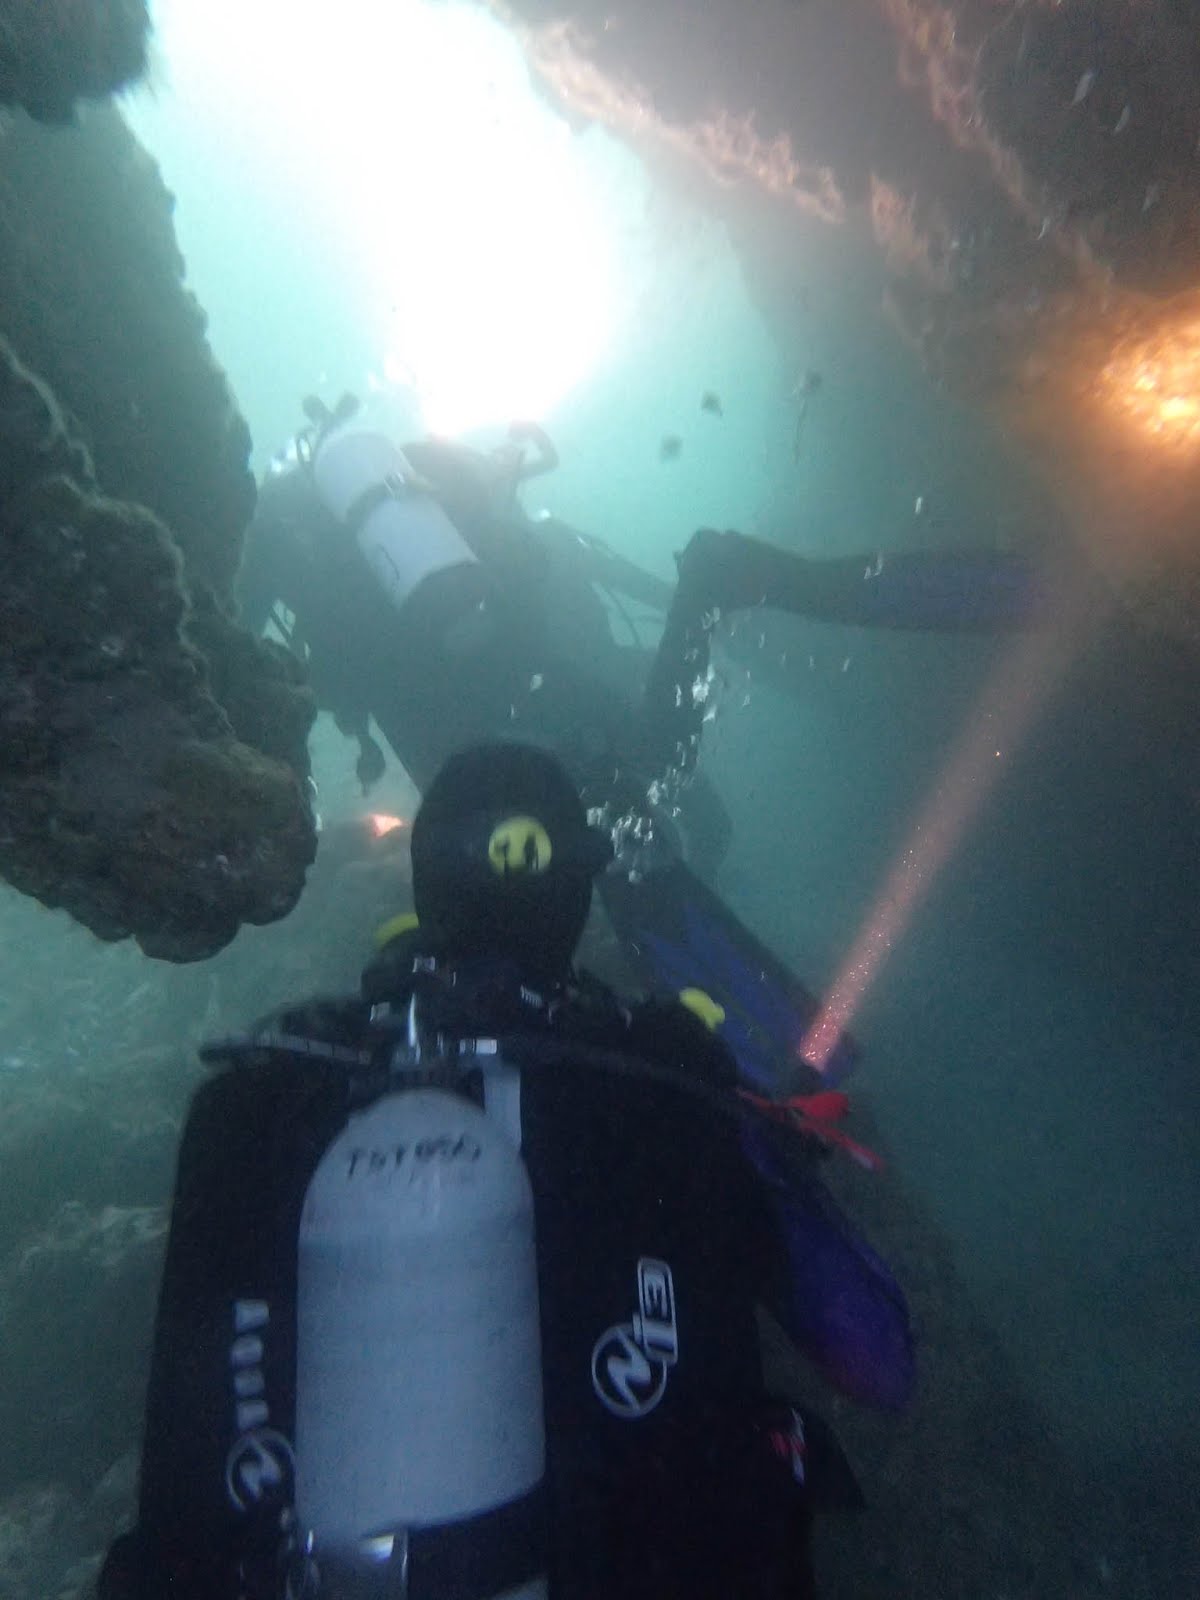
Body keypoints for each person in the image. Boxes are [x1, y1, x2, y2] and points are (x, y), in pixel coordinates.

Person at [99, 741, 914, 1600]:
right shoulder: (664, 1082)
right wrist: (743, 1127)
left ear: (425, 883)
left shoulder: (261, 1095)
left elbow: (185, 1472)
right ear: (578, 891)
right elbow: (877, 1359)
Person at [238, 396, 1049, 869]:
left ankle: (708, 586)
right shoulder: (397, 478)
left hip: (458, 738)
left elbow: (279, 676)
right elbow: (516, 534)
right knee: (655, 783)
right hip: (531, 673)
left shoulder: (278, 548)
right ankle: (709, 587)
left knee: (611, 805)